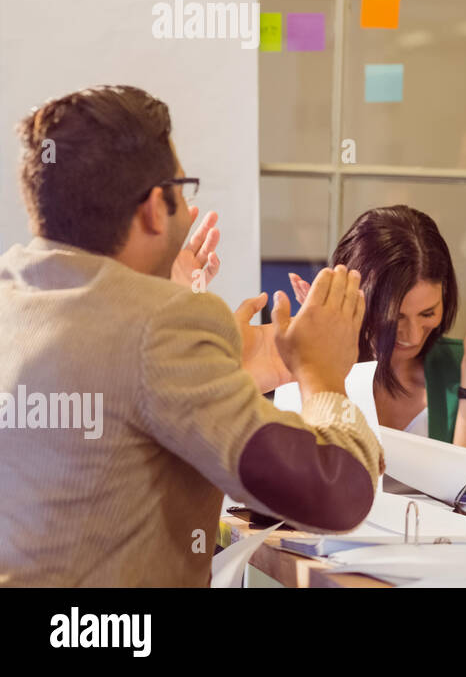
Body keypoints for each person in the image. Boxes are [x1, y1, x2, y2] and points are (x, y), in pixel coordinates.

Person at [0, 85, 382, 586]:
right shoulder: (163, 324)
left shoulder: (14, 293)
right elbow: (335, 495)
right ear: (156, 208)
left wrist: (173, 308)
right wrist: (323, 376)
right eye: (183, 188)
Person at [275, 206, 466, 494]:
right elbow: (301, 483)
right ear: (355, 296)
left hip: (436, 538)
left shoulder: (456, 366)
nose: (413, 336)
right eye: (395, 317)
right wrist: (317, 360)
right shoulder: (314, 359)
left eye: (427, 314)